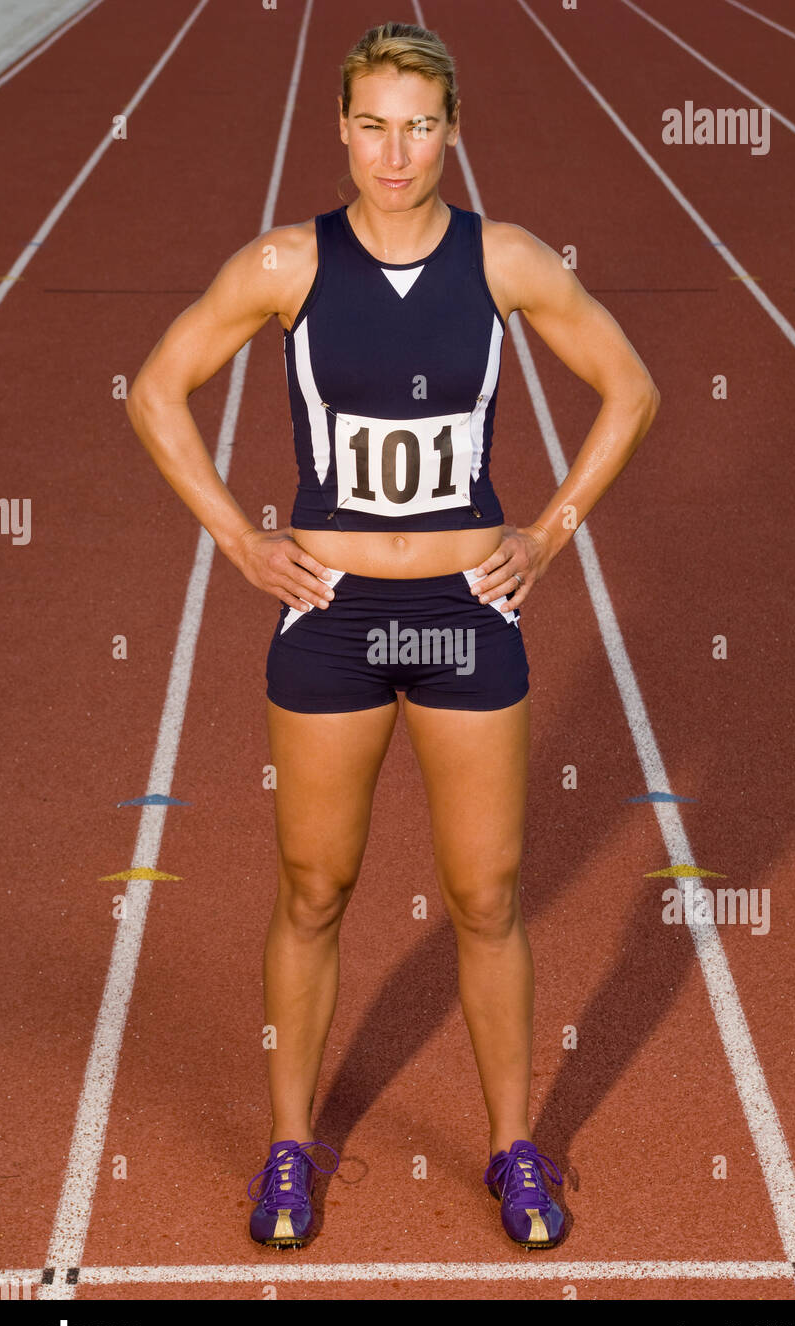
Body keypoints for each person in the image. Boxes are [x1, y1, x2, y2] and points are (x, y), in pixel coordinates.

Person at [126, 20, 659, 1252]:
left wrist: (554, 527)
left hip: (467, 614)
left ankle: (514, 1148)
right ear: (341, 130)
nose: (395, 149)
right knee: (314, 889)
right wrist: (238, 539)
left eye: (419, 124)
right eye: (372, 122)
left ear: (451, 131)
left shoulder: (506, 260)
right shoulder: (284, 266)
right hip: (333, 618)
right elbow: (156, 390)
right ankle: (287, 1147)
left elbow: (629, 386)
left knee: (486, 894)